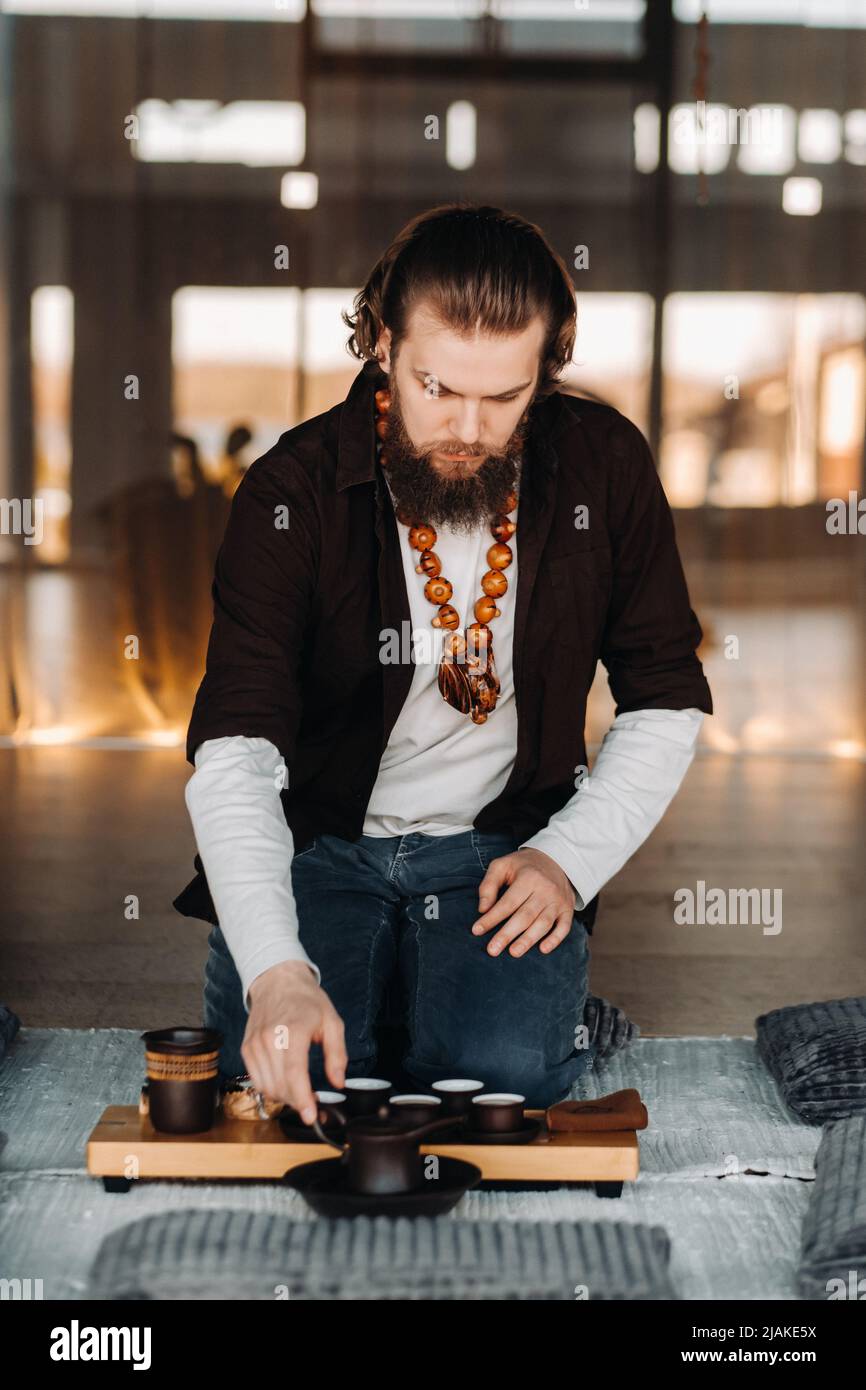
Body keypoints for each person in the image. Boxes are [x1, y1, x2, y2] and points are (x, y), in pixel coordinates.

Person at [173, 202, 712, 1121]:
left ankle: (465, 993)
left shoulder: (605, 465)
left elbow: (664, 698)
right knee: (287, 1073)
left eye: (503, 398)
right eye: (438, 388)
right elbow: (235, 751)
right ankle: (382, 985)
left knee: (504, 1080)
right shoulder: (290, 492)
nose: (467, 428)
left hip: (502, 849)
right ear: (383, 345)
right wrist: (274, 970)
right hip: (323, 847)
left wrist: (567, 862)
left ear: (549, 366)